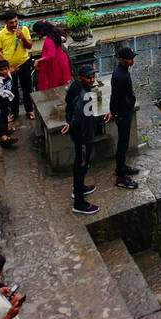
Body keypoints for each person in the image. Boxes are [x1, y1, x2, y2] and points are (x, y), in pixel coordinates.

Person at [61, 64, 100, 215]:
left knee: (80, 164)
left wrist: (68, 121)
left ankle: (80, 188)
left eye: (93, 76)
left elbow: (69, 105)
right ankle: (79, 203)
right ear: (81, 77)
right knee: (81, 166)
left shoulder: (74, 87)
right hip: (84, 136)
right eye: (88, 77)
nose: (92, 80)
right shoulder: (85, 95)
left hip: (79, 134)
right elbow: (78, 114)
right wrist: (71, 123)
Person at [105, 47, 140, 190]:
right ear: (122, 59)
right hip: (122, 113)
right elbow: (115, 97)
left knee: (124, 142)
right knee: (123, 143)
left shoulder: (123, 72)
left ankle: (122, 166)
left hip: (126, 110)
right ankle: (120, 176)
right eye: (130, 58)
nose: (132, 60)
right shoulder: (120, 76)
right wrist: (113, 112)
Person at [0, 13, 35, 123]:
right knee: (12, 91)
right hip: (9, 68)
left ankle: (29, 110)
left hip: (24, 63)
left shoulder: (24, 29)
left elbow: (29, 46)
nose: (14, 24)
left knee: (27, 88)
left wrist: (22, 37)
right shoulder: (1, 35)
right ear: (6, 23)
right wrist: (7, 67)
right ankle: (14, 112)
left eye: (16, 21)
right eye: (11, 22)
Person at [32, 20, 72, 90]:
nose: (38, 34)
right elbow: (64, 39)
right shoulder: (55, 33)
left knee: (55, 84)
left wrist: (38, 60)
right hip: (62, 60)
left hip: (55, 63)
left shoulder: (49, 39)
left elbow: (51, 55)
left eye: (37, 32)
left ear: (41, 30)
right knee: (63, 83)